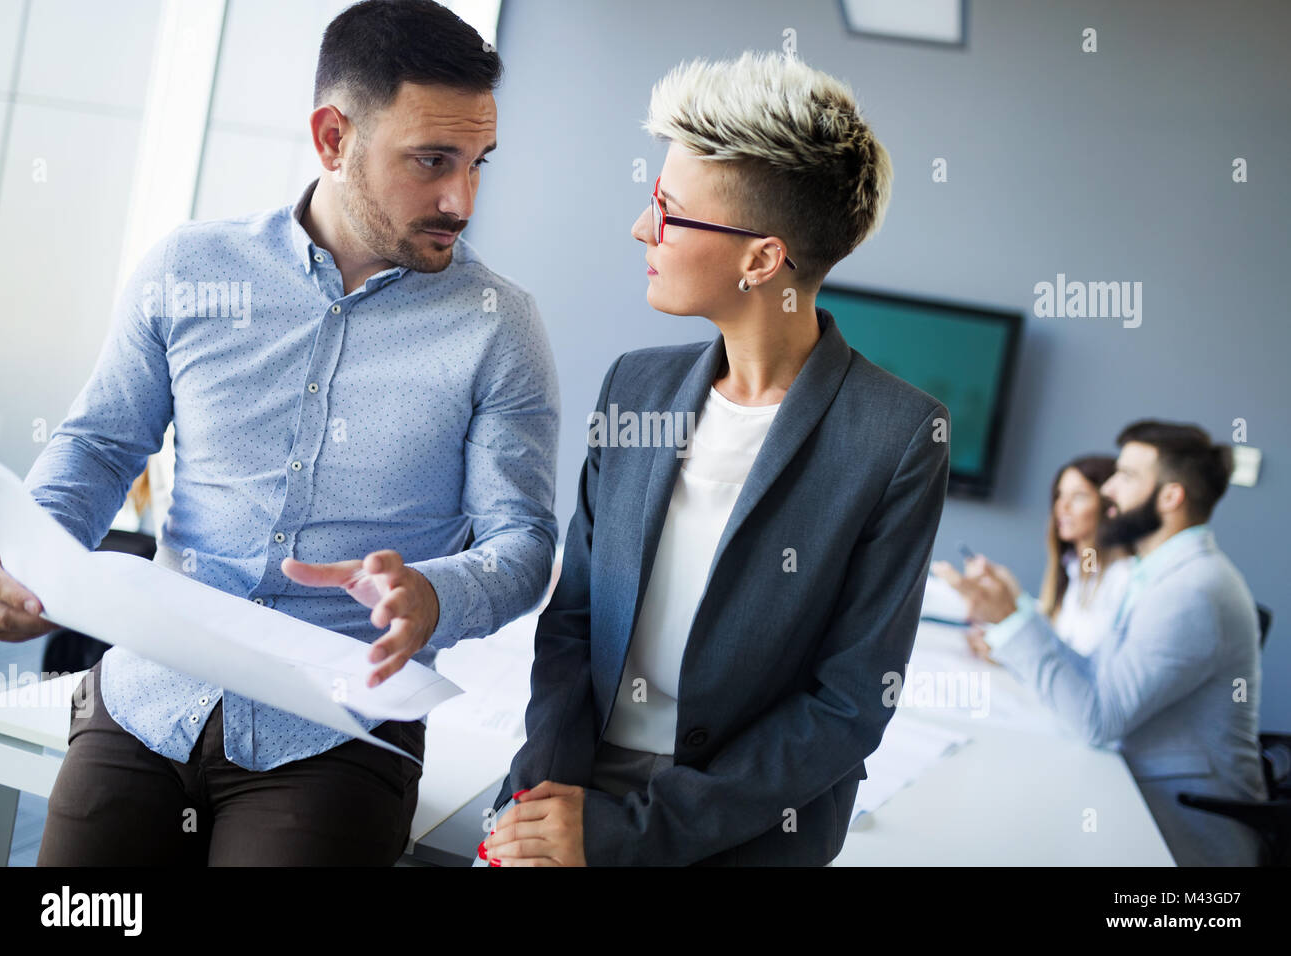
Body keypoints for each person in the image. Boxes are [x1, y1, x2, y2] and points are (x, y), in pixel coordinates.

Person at [0, 0, 558, 865]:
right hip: (146, 700)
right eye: (432, 161)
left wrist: (435, 593)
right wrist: (32, 565)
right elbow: (101, 444)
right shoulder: (188, 269)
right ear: (334, 138)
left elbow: (522, 543)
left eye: (479, 162)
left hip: (336, 733)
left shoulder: (498, 327)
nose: (462, 199)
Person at [480, 52, 950, 867]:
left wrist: (625, 835)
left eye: (668, 208)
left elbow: (847, 706)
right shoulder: (638, 383)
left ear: (761, 260)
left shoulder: (899, 437)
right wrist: (545, 794)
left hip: (738, 826)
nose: (641, 227)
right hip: (574, 784)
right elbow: (574, 617)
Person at [937, 421, 1268, 866]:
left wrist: (1011, 621)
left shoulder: (1192, 591)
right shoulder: (1165, 574)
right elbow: (1095, 673)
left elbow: (1097, 718)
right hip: (1136, 794)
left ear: (1171, 497)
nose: (1108, 487)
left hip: (1182, 830)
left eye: (1126, 476)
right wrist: (1013, 614)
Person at [952, 455, 1129, 662]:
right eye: (1060, 495)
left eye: (1079, 496)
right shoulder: (1077, 566)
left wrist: (1009, 646)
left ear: (1110, 505)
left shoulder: (1120, 577)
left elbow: (1074, 657)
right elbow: (1054, 637)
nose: (1062, 507)